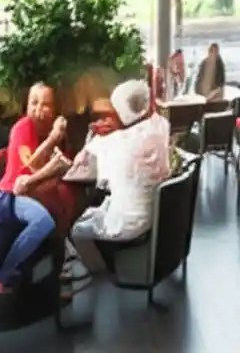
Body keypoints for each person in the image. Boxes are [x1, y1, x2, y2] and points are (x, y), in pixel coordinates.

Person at [69, 79, 171, 273]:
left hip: (126, 224)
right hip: (154, 216)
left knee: (77, 230)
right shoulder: (161, 126)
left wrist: (95, 135)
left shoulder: (114, 143)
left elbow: (79, 161)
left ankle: (100, 274)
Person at [0, 83, 78, 293]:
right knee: (43, 222)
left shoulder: (48, 130)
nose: (38, 109)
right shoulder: (23, 127)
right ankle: (2, 275)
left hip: (34, 193)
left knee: (65, 206)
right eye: (34, 103)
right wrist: (53, 139)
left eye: (46, 105)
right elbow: (31, 167)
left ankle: (59, 272)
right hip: (12, 195)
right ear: (26, 105)